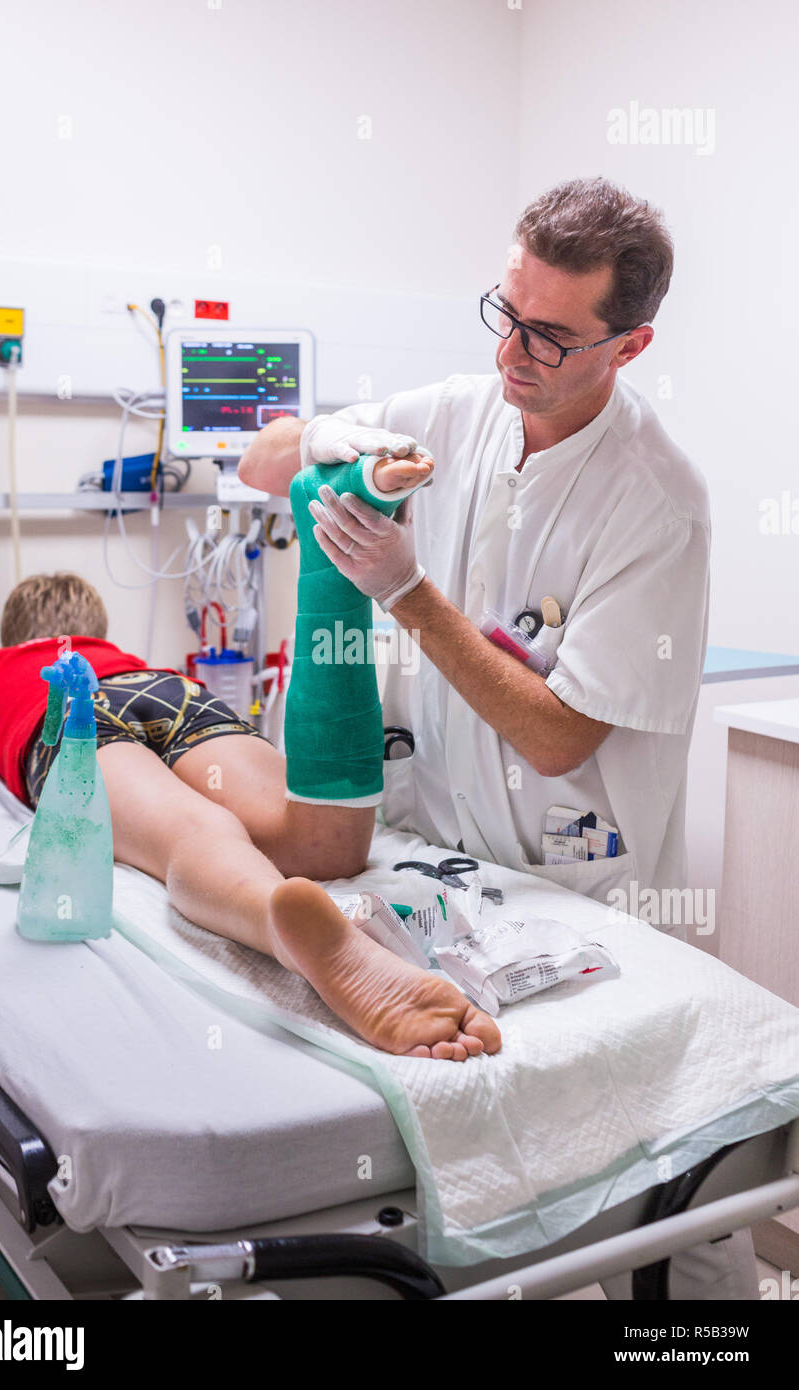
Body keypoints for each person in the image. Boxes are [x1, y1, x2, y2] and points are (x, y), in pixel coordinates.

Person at [237, 175, 759, 1298]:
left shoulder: (655, 500)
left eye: (550, 335)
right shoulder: (458, 410)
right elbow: (257, 461)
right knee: (501, 1176)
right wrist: (332, 436)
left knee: (671, 1189)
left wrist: (408, 590)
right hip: (442, 863)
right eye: (504, 312)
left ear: (628, 344)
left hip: (581, 890)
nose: (512, 352)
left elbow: (560, 734)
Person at [0, 560, 500, 1065]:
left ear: (12, 635)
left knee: (195, 831)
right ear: (96, 630)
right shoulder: (129, 657)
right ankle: (315, 878)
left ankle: (278, 925)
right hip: (170, 692)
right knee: (316, 839)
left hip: (70, 713)